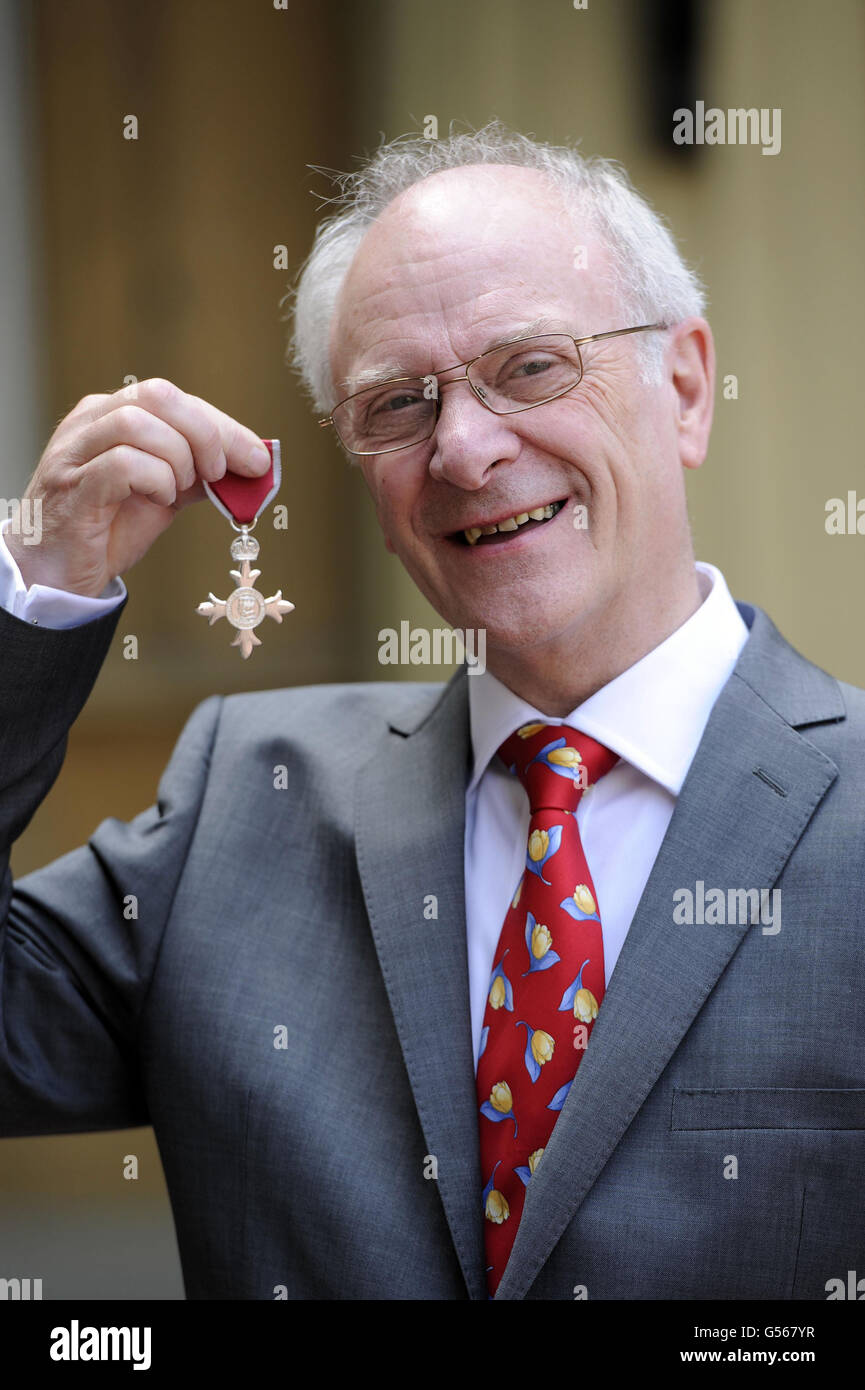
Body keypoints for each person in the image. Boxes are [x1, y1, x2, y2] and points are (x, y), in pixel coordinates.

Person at [1, 124, 863, 1301]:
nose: (462, 448)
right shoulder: (242, 798)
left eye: (529, 367)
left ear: (684, 388)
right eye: (397, 403)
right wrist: (38, 601)